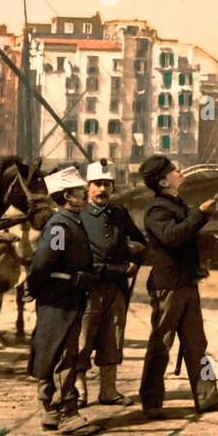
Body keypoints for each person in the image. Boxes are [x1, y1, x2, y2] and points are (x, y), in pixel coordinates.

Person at [137, 155, 218, 419]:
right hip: (169, 286)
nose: (179, 171)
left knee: (197, 343)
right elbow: (172, 237)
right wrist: (201, 214)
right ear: (163, 181)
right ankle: (152, 402)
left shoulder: (176, 204)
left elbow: (185, 235)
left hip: (186, 282)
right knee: (161, 344)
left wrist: (209, 238)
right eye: (174, 170)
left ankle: (208, 398)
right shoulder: (156, 210)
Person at [27, 165, 99, 436]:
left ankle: (51, 412)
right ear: (69, 196)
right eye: (81, 189)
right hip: (60, 299)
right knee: (62, 355)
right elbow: (43, 263)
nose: (85, 192)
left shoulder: (70, 222)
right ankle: (67, 413)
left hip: (66, 298)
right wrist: (37, 289)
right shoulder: (60, 226)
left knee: (52, 350)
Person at [76, 159, 146, 407]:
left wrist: (135, 261)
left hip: (116, 288)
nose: (102, 190)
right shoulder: (78, 215)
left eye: (107, 185)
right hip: (87, 288)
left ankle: (108, 390)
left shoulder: (120, 214)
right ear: (88, 187)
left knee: (112, 337)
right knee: (82, 339)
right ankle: (79, 392)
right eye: (97, 184)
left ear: (113, 188)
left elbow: (140, 243)